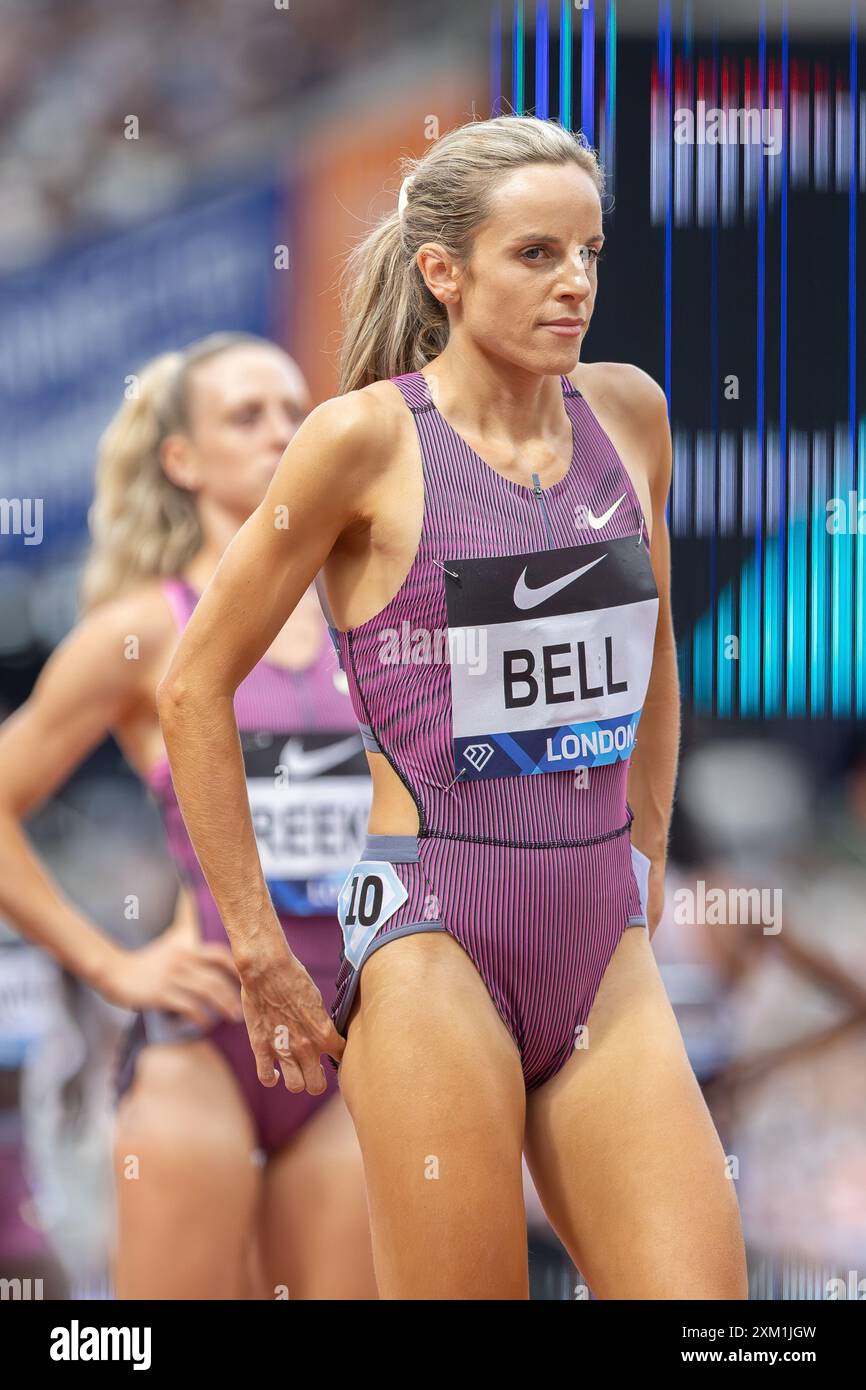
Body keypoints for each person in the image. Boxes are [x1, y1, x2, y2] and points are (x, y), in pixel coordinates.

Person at [156, 117, 749, 1299]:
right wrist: (258, 946)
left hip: (598, 933)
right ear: (444, 271)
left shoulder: (629, 414)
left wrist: (641, 855)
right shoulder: (361, 441)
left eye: (587, 252)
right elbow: (189, 684)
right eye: (535, 254)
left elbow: (656, 658)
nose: (574, 282)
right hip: (432, 932)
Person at [0, 333, 376, 1300]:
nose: (280, 433)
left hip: (352, 1038)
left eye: (294, 411)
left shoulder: (368, 604)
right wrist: (109, 963)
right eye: (245, 416)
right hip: (205, 1040)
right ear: (182, 460)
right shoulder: (143, 630)